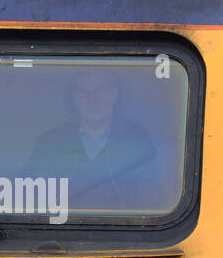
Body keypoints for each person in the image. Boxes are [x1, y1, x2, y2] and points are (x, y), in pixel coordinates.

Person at [26, 70, 176, 213]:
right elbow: (29, 198)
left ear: (113, 94)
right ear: (74, 97)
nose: (92, 99)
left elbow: (153, 201)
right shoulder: (51, 143)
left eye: (100, 90)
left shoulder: (137, 142)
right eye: (83, 92)